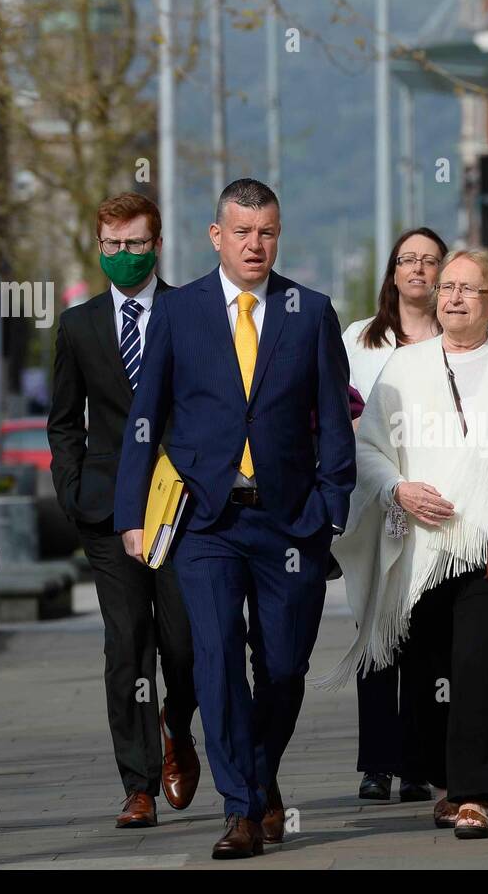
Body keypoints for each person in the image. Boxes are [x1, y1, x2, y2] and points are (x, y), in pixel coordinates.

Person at [113, 178, 356, 859]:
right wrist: (131, 511)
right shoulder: (180, 311)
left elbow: (335, 423)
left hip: (290, 522)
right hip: (205, 522)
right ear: (216, 235)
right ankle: (243, 807)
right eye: (242, 232)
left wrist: (332, 507)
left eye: (267, 232)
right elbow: (145, 417)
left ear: (279, 237)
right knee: (216, 658)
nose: (256, 244)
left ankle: (258, 771)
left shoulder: (309, 312)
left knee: (283, 668)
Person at [325, 250, 488, 840]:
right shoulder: (404, 366)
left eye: (468, 289)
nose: (452, 297)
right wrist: (398, 489)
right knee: (430, 672)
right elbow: (370, 449)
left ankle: (475, 794)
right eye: (447, 286)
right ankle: (445, 779)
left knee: (478, 665)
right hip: (421, 550)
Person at [47, 192, 199, 829]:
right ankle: (136, 785)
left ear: (156, 244)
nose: (124, 255)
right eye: (112, 244)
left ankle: (178, 730)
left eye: (135, 244)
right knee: (126, 645)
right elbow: (63, 423)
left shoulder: (189, 313)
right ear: (99, 245)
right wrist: (76, 493)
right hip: (108, 513)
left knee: (186, 643)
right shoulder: (79, 326)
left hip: (183, 505)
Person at [341, 226, 448, 804]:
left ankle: (418, 762)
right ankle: (377, 763)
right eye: (408, 260)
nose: (418, 270)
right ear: (392, 271)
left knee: (427, 634)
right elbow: (335, 408)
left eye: (429, 261)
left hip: (434, 502)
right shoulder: (360, 339)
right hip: (374, 501)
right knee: (376, 627)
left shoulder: (456, 338)